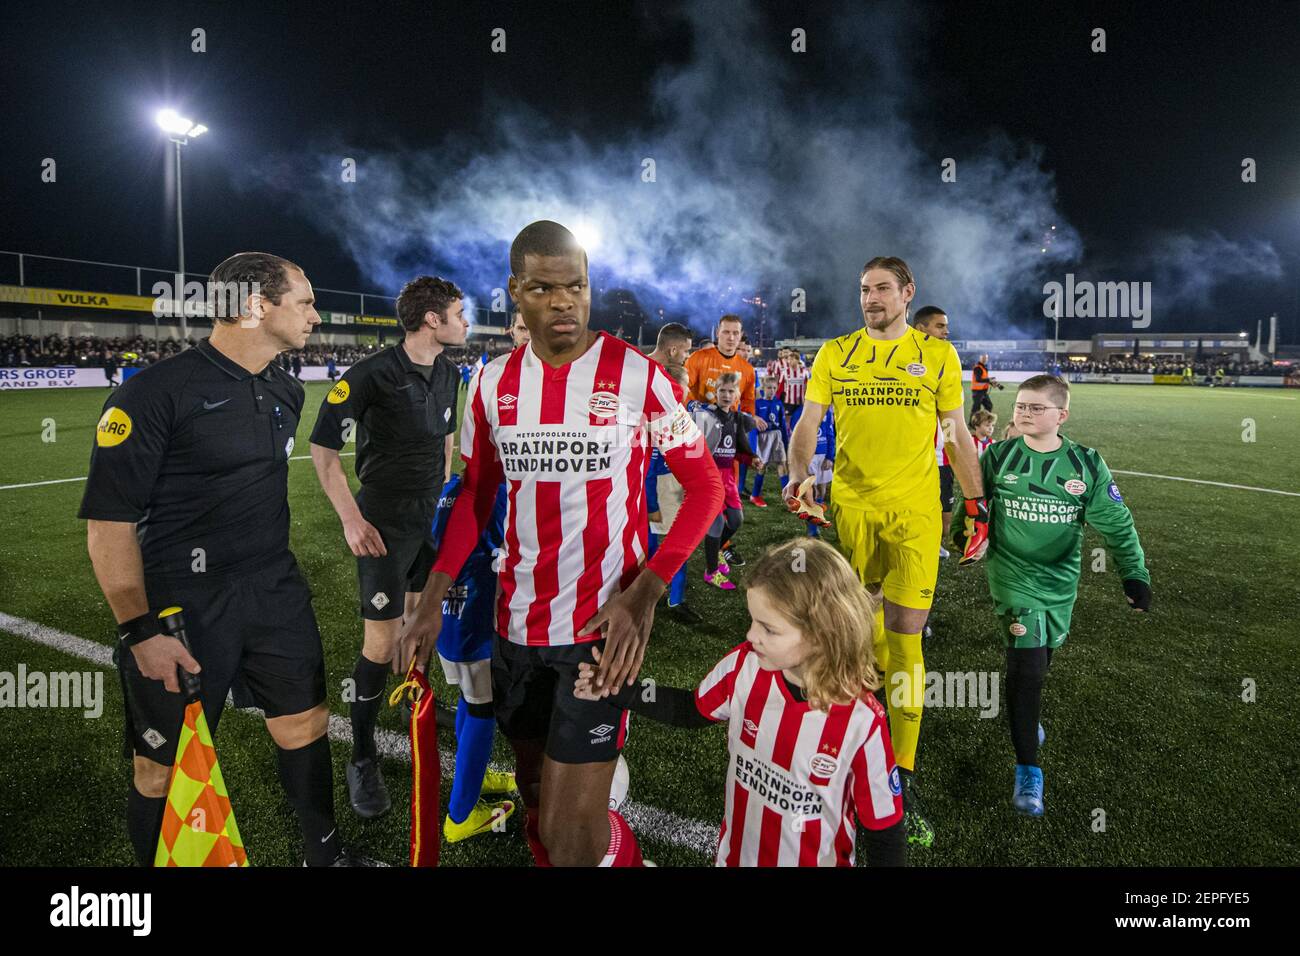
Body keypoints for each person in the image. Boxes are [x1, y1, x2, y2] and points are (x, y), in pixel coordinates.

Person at [398, 221, 723, 867]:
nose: (566, 301)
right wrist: (433, 596)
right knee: (540, 803)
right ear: (516, 292)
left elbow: (705, 486)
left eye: (577, 285)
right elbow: (477, 494)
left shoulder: (639, 376)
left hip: (599, 630)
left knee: (576, 841)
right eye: (545, 288)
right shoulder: (491, 383)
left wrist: (646, 593)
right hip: (515, 627)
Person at [80, 251, 351, 866]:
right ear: (257, 306)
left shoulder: (285, 384)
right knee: (161, 766)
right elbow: (109, 525)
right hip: (183, 604)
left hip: (274, 587)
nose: (315, 314)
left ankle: (325, 855)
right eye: (304, 301)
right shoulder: (152, 394)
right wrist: (139, 630)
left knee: (305, 723)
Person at [786, 256, 988, 850]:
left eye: (880, 289)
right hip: (851, 511)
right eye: (863, 289)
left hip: (918, 514)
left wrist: (975, 504)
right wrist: (800, 476)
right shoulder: (836, 352)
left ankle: (902, 773)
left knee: (904, 638)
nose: (870, 298)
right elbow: (807, 423)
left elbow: (955, 434)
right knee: (854, 633)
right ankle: (851, 748)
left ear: (907, 293)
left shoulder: (939, 356)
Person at [574, 539, 905, 866]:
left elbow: (884, 832)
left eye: (768, 629)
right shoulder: (744, 666)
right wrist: (618, 690)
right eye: (752, 621)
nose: (750, 635)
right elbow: (691, 709)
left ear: (822, 634)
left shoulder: (862, 723)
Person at [309, 275, 467, 818]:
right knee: (380, 643)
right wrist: (352, 520)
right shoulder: (371, 373)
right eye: (459, 314)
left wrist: (443, 483)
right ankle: (362, 754)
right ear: (432, 320)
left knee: (421, 623)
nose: (465, 323)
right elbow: (323, 450)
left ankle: (415, 702)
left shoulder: (450, 372)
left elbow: (446, 436)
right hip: (382, 523)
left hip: (428, 518)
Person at [970, 375, 1151, 816]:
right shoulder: (998, 457)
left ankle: (1027, 722)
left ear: (1061, 415)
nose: (1024, 413)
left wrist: (1134, 575)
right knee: (1026, 668)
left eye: (1036, 408)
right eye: (1021, 406)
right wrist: (967, 538)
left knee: (1041, 658)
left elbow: (1117, 523)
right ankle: (1028, 770)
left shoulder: (1086, 465)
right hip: (1013, 579)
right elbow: (973, 507)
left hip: (1060, 583)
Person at [693, 371, 756, 589]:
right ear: (715, 393)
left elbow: (736, 449)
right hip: (710, 476)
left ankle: (717, 551)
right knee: (717, 522)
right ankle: (711, 571)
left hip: (728, 477)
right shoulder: (707, 416)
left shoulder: (737, 419)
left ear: (737, 394)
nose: (726, 395)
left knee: (736, 520)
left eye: (731, 391)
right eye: (722, 391)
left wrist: (751, 459)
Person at [646, 364, 694, 621]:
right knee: (674, 547)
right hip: (662, 490)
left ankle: (662, 595)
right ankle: (673, 599)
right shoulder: (662, 417)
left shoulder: (678, 414)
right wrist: (652, 505)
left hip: (671, 488)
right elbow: (650, 470)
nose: (689, 388)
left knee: (659, 547)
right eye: (687, 383)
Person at [912, 306, 954, 558]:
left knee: (945, 519)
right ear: (921, 329)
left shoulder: (947, 360)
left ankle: (933, 544)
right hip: (915, 457)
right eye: (940, 326)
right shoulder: (904, 361)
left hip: (943, 457)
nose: (946, 332)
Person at [748, 376, 788, 508]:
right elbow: (753, 427)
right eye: (769, 388)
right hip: (763, 438)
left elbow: (783, 425)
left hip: (777, 436)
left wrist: (787, 444)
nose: (772, 391)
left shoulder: (778, 404)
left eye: (774, 388)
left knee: (782, 464)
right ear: (763, 388)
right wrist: (753, 450)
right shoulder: (757, 404)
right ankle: (754, 495)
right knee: (762, 467)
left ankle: (789, 499)